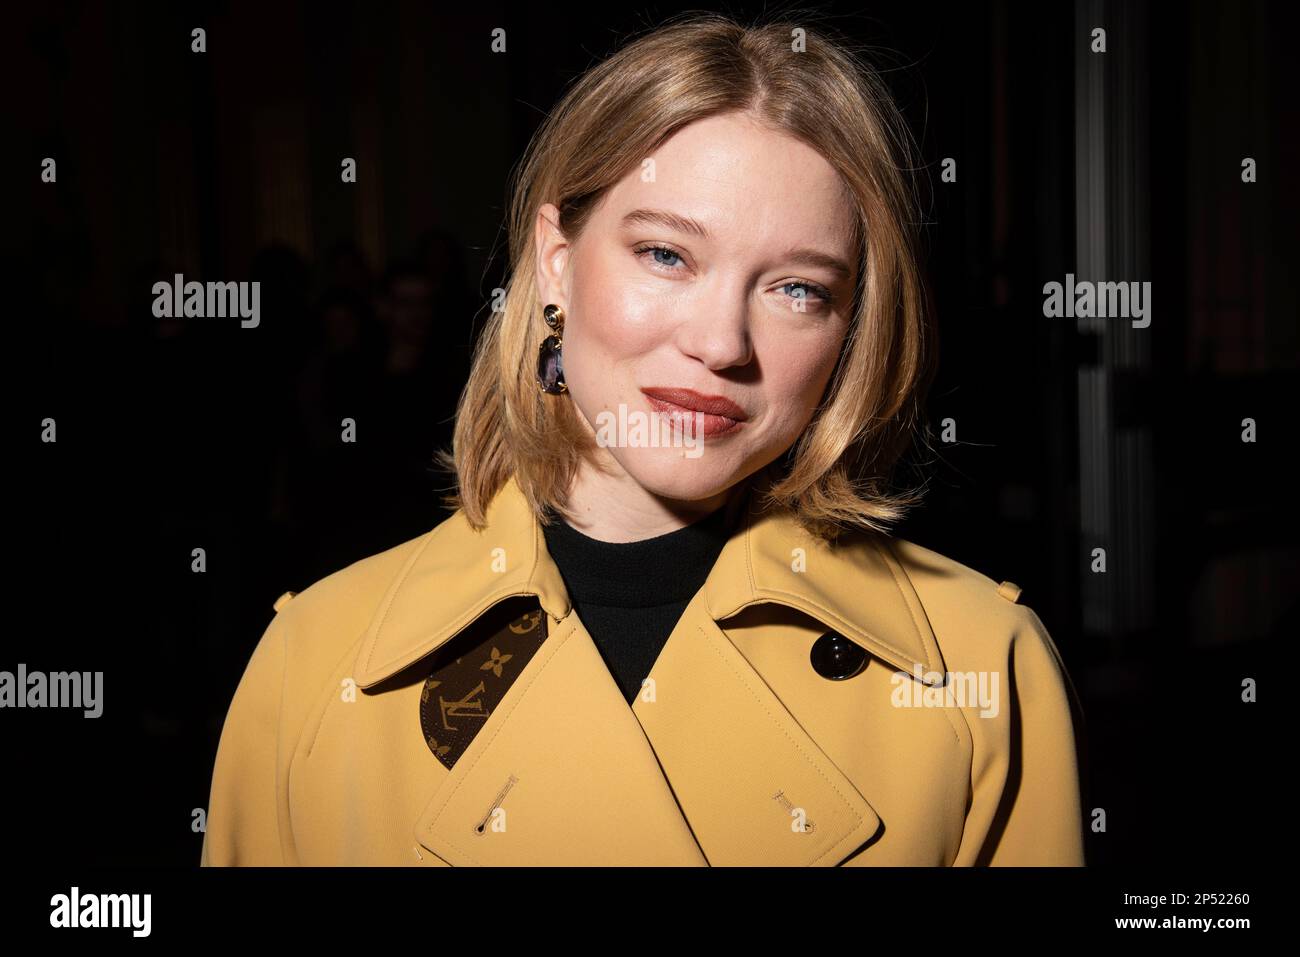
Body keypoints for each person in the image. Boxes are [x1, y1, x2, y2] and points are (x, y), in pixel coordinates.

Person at [200, 13, 1086, 867]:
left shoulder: (981, 669)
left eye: (797, 289)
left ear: (850, 330)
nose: (721, 343)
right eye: (667, 255)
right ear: (556, 258)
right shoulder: (314, 669)